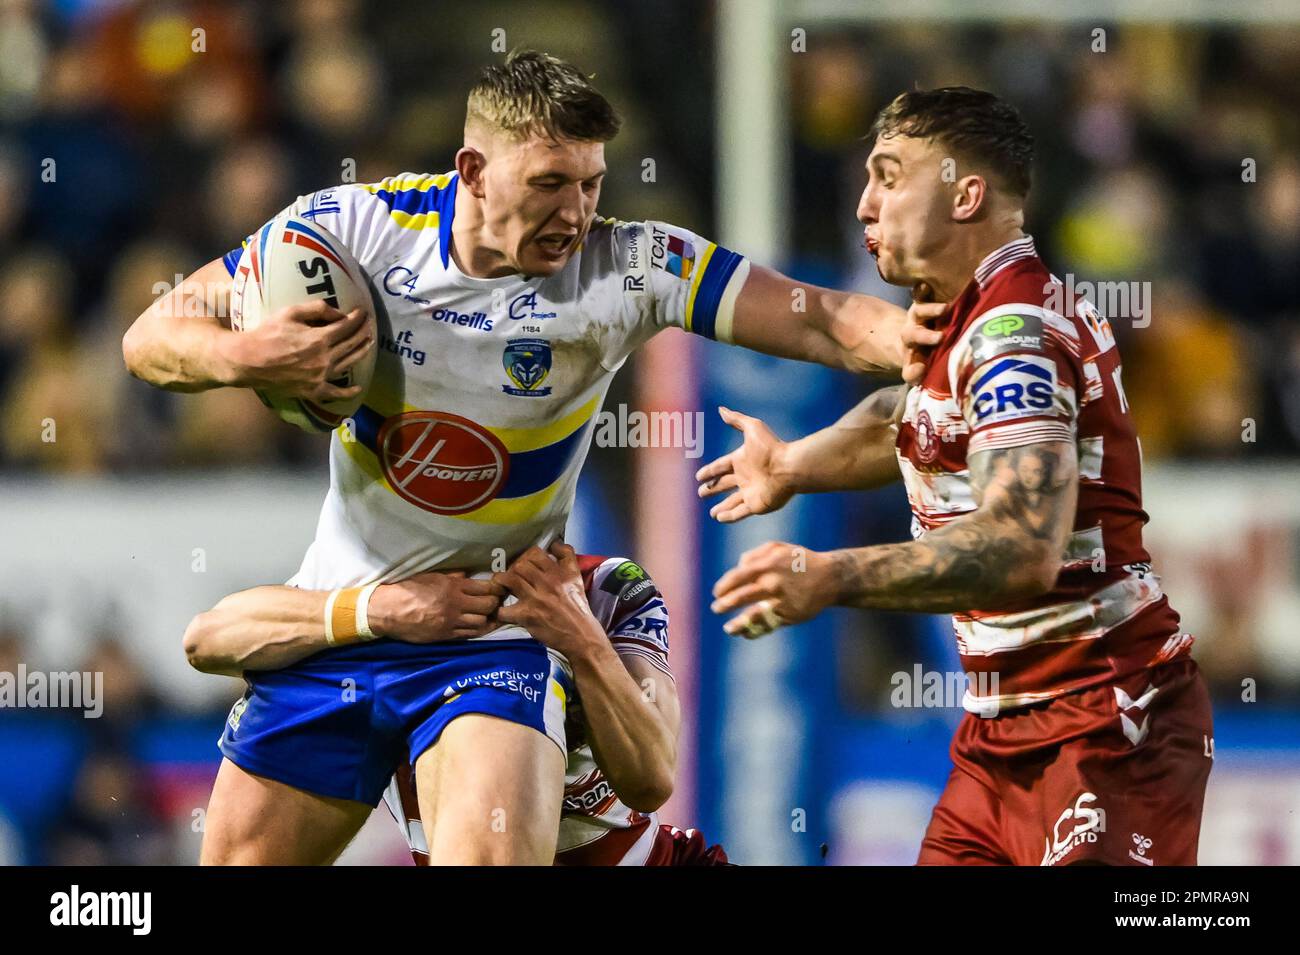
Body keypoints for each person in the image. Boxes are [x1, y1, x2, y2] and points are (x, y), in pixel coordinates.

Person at [123, 50, 927, 864]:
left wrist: (935, 342)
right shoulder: (352, 230)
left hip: (490, 628)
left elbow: (820, 318)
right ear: (473, 169)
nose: (576, 213)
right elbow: (151, 336)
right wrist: (245, 358)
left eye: (591, 184)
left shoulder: (631, 265)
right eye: (550, 183)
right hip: (342, 621)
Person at [700, 87, 1213, 866]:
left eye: (889, 175)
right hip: (1001, 732)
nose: (865, 203)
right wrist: (793, 464)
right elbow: (909, 419)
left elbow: (1020, 546)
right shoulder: (968, 319)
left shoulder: (1015, 335)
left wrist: (831, 576)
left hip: (1106, 720)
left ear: (966, 193)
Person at [185, 542, 729, 866]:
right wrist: (376, 611)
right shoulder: (372, 594)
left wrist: (582, 641)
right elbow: (207, 638)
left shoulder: (603, 586)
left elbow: (653, 776)